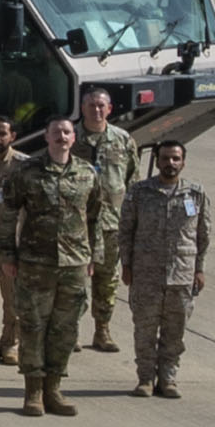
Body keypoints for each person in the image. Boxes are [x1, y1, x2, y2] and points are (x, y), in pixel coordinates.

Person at [0, 117, 99, 417]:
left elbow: (94, 216)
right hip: (34, 263)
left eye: (67, 132)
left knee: (65, 329)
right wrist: (7, 254)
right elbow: (8, 213)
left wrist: (94, 256)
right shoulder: (27, 172)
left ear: (73, 138)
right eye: (56, 132)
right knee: (33, 326)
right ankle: (33, 393)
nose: (62, 137)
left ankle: (54, 388)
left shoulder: (86, 173)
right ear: (46, 137)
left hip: (74, 263)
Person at [119, 139, 209, 399]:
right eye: (165, 158)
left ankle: (168, 378)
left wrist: (199, 269)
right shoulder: (139, 192)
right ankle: (146, 379)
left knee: (175, 330)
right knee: (145, 329)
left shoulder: (195, 194)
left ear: (183, 162)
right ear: (156, 161)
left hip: (181, 275)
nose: (170, 163)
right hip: (146, 274)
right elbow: (125, 230)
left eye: (175, 159)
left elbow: (203, 235)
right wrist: (126, 264)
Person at [76, 91, 140, 353]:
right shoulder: (71, 137)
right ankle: (72, 331)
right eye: (91, 105)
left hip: (111, 223)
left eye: (101, 105)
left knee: (107, 279)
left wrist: (130, 218)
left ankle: (102, 330)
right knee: (76, 278)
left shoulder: (123, 140)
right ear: (82, 107)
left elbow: (131, 180)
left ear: (110, 108)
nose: (96, 110)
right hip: (77, 223)